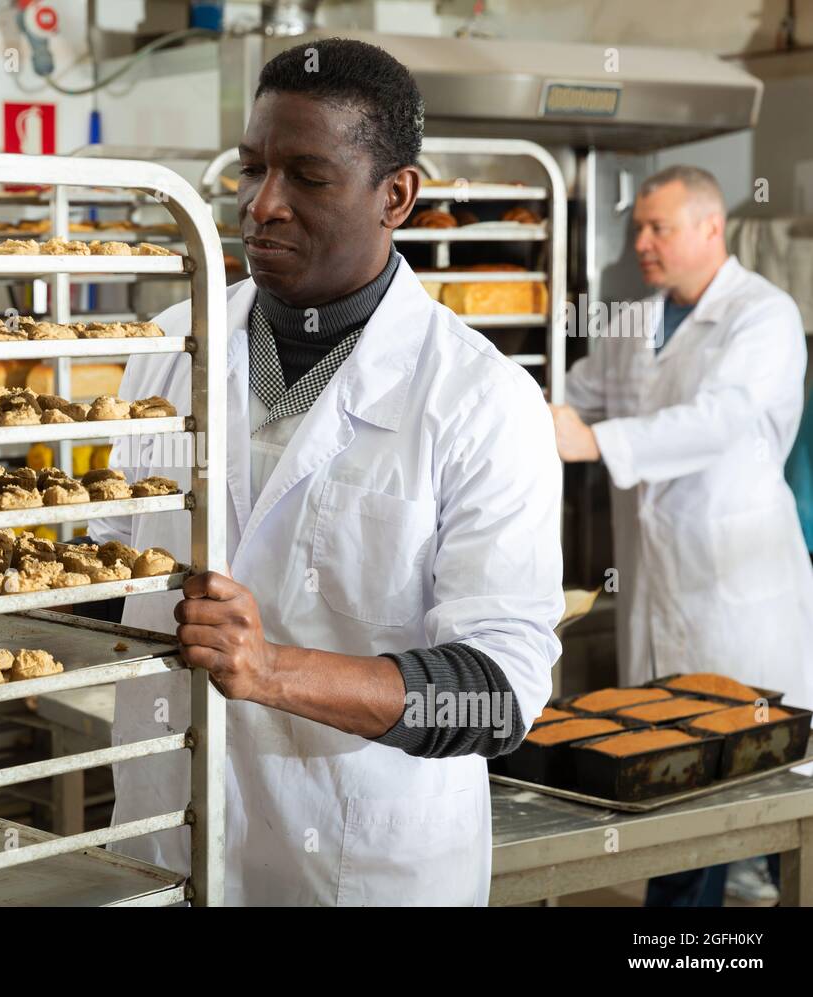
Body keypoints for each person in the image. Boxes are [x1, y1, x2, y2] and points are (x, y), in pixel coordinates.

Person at [87, 37, 563, 906]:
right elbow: (110, 575)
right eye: (251, 168)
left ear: (398, 196)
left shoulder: (480, 401)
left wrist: (273, 670)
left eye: (307, 176)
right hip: (167, 845)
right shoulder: (166, 348)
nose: (262, 205)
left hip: (358, 869)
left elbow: (498, 700)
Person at [550, 165, 813, 906]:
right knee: (675, 770)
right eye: (637, 228)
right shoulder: (641, 317)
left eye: (657, 227)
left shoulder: (763, 316)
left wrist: (594, 443)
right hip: (657, 579)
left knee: (742, 780)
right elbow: (584, 390)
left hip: (734, 583)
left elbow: (722, 421)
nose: (641, 242)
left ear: (710, 228)